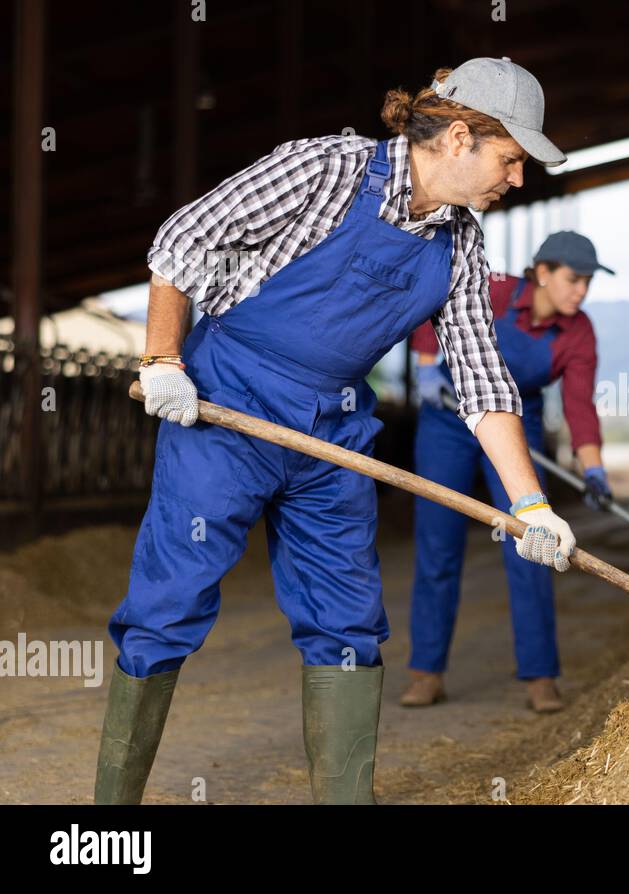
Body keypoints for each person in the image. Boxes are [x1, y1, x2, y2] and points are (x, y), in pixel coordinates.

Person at [96, 58, 578, 805]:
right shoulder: (325, 169)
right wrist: (163, 358)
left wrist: (530, 506)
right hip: (227, 403)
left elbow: (483, 381)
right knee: (169, 603)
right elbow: (184, 240)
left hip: (333, 428)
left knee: (348, 620)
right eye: (512, 159)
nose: (517, 180)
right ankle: (112, 814)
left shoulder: (461, 244)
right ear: (459, 138)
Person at [402, 232, 614, 713]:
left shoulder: (578, 331)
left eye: (588, 282)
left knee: (533, 542)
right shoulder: (492, 287)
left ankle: (541, 677)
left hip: (519, 423)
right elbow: (431, 306)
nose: (581, 291)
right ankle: (426, 672)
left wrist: (594, 469)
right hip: (448, 419)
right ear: (542, 273)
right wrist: (430, 367)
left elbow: (580, 405)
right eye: (573, 279)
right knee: (438, 543)